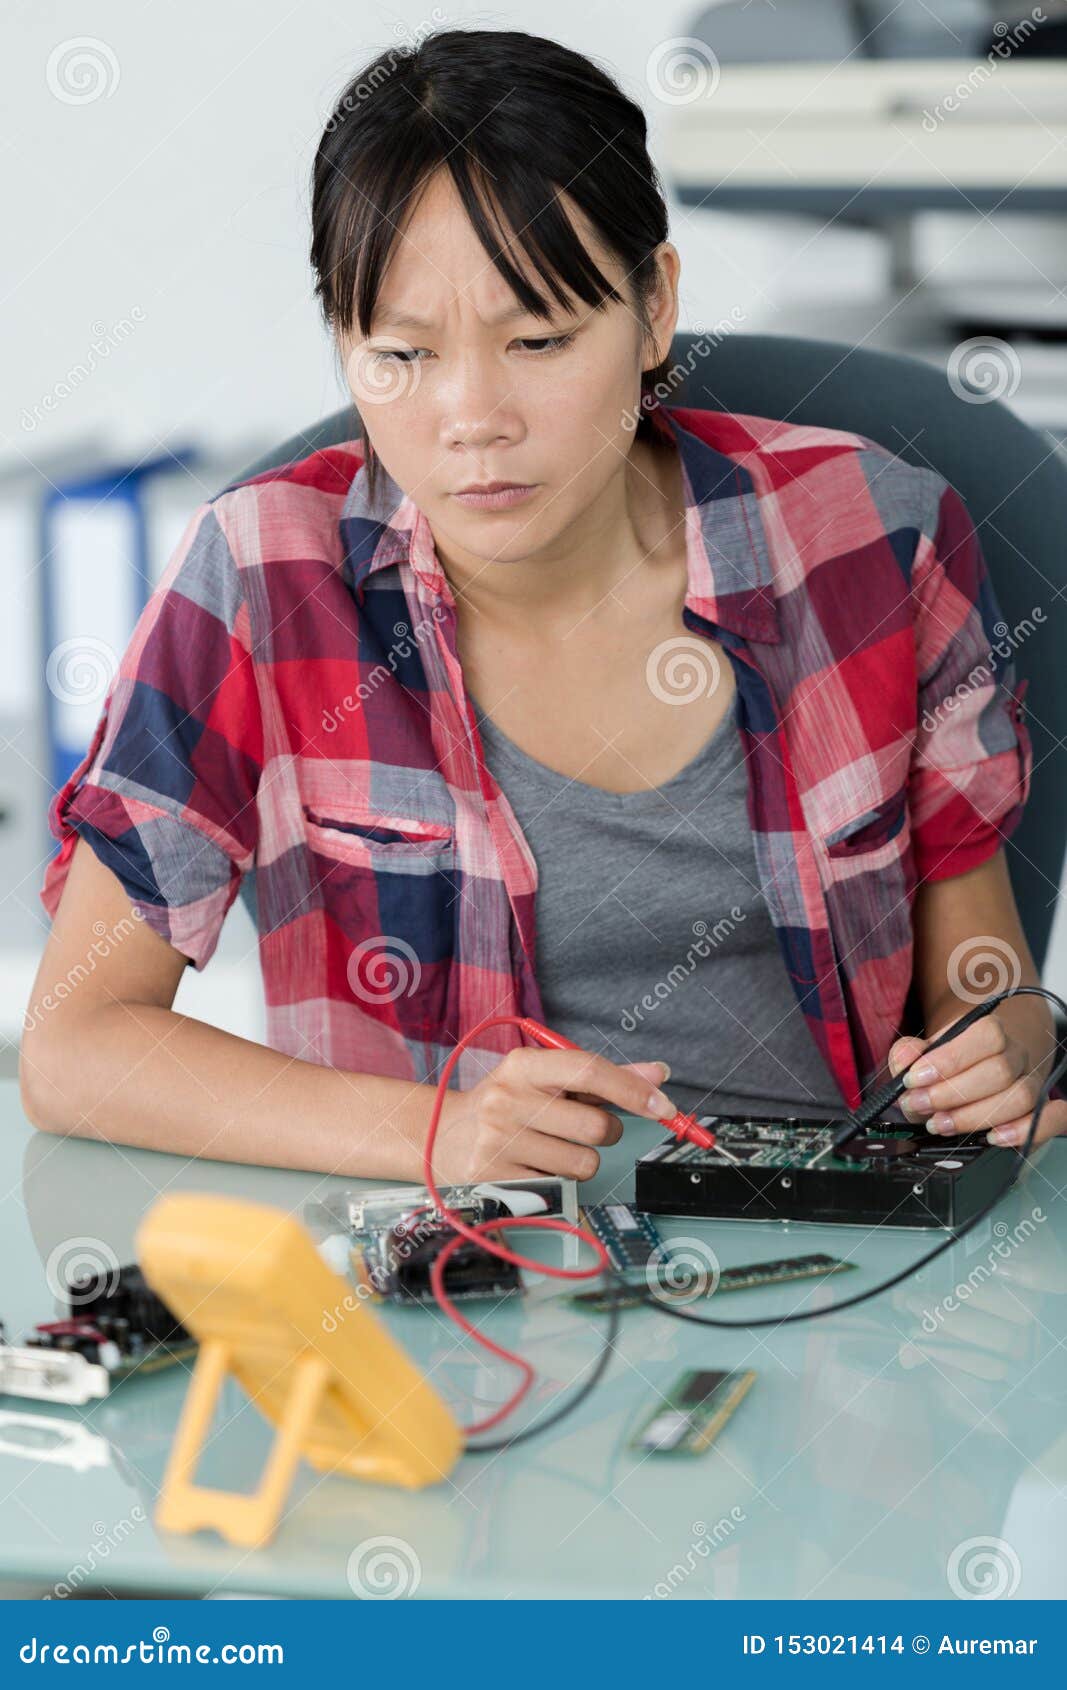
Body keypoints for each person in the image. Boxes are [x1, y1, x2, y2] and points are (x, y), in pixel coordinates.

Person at [20, 28, 1062, 1186]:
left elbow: (984, 978)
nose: (473, 419)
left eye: (538, 340)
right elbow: (75, 1048)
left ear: (653, 307)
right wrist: (442, 1132)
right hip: (460, 1262)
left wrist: (1003, 1047)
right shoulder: (260, 576)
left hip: (832, 1243)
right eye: (401, 354)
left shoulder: (873, 536)